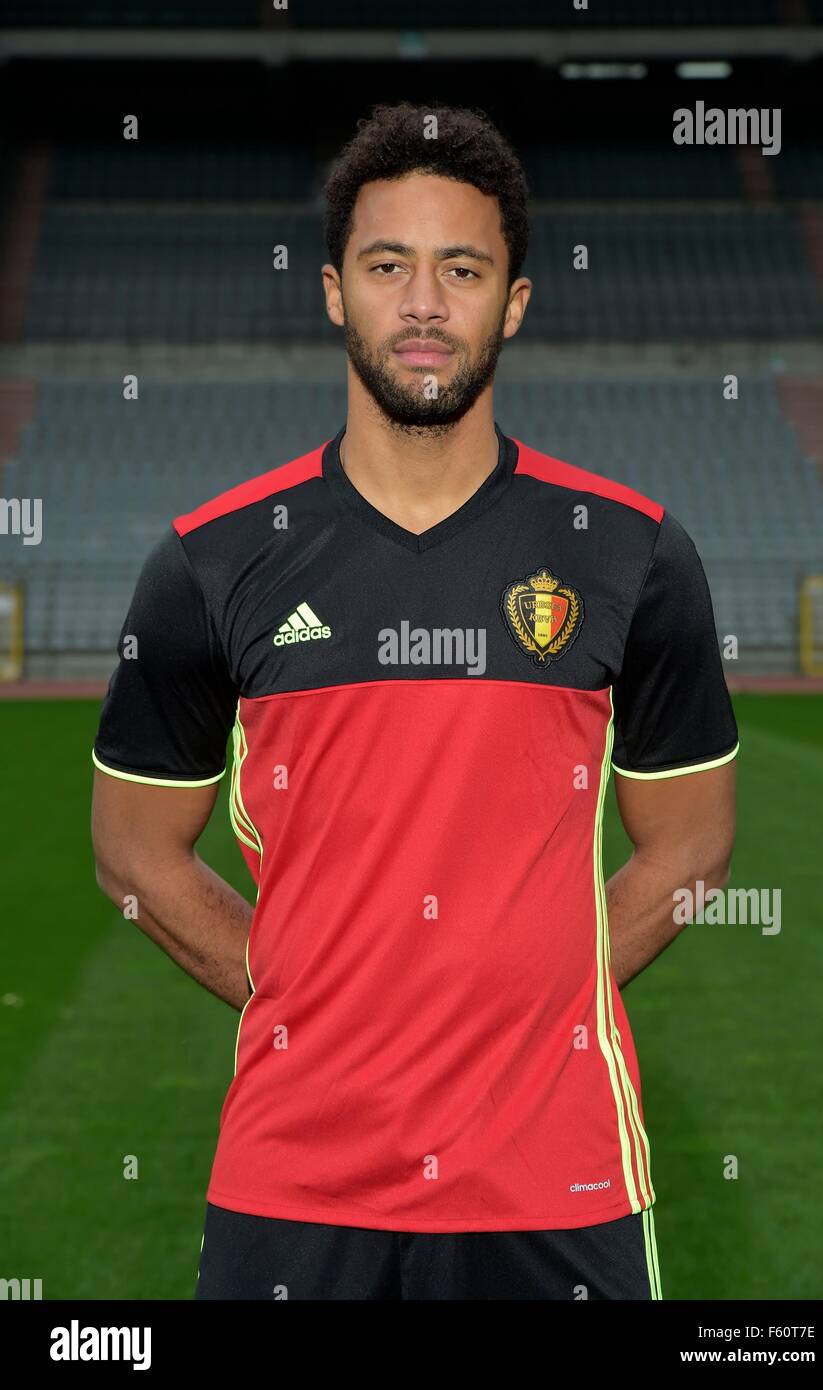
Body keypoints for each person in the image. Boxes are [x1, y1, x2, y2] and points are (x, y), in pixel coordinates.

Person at [91, 101, 737, 1300]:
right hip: (293, 1180)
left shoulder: (631, 553)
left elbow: (691, 844)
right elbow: (133, 851)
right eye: (389, 266)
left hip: (557, 1179)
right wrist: (319, 993)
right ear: (335, 290)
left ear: (517, 300)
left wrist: (537, 994)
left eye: (463, 268)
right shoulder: (210, 561)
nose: (426, 303)